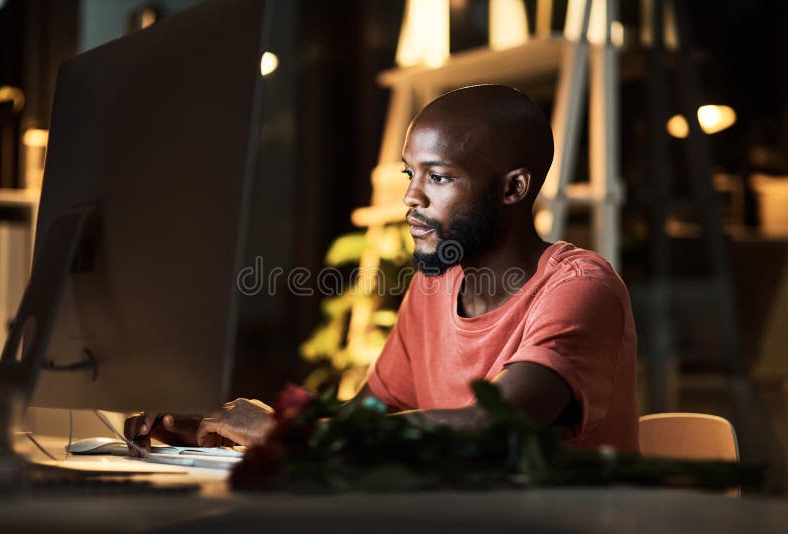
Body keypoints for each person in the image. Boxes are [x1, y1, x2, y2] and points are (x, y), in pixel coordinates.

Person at [126, 84, 639, 454]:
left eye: (437, 177)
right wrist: (215, 423)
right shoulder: (434, 286)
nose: (410, 197)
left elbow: (492, 424)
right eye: (410, 173)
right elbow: (367, 416)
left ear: (513, 189)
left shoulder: (579, 289)